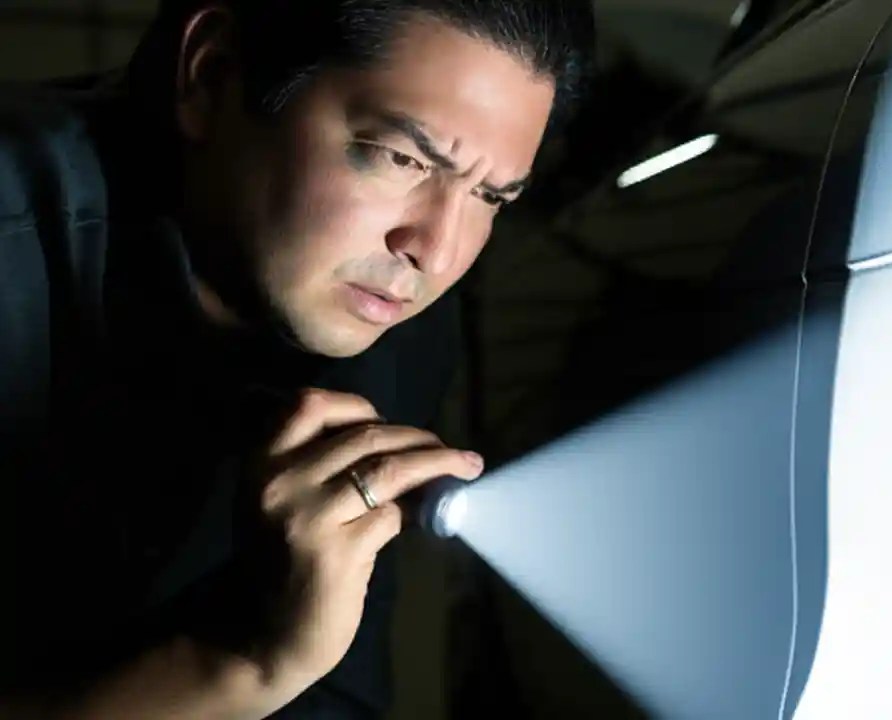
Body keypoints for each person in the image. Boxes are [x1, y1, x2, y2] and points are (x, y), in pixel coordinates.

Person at [0, 0, 594, 717]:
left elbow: (337, 693)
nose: (437, 253)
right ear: (213, 76)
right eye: (401, 157)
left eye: (491, 196)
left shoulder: (386, 316)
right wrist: (239, 668)